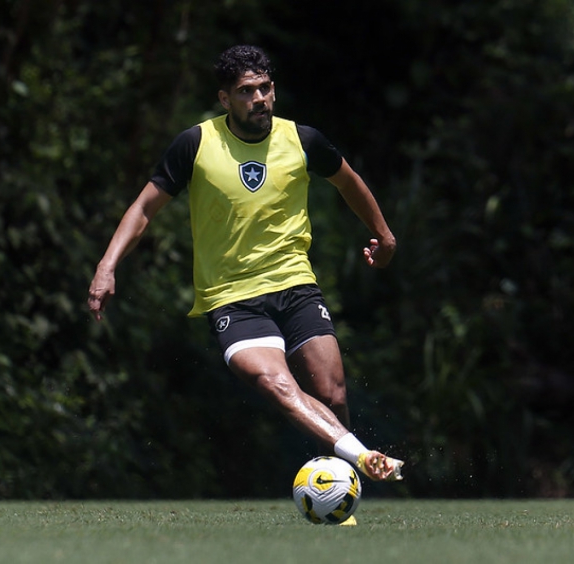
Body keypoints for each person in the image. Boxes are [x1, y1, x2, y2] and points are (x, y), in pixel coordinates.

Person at [87, 45, 403, 487]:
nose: (260, 99)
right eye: (246, 91)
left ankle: (337, 496)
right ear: (225, 99)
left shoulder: (303, 140)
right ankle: (362, 457)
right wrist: (107, 266)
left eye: (265, 88)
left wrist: (384, 236)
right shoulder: (196, 144)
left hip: (296, 285)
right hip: (232, 298)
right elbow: (143, 209)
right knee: (278, 385)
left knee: (331, 394)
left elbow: (348, 182)